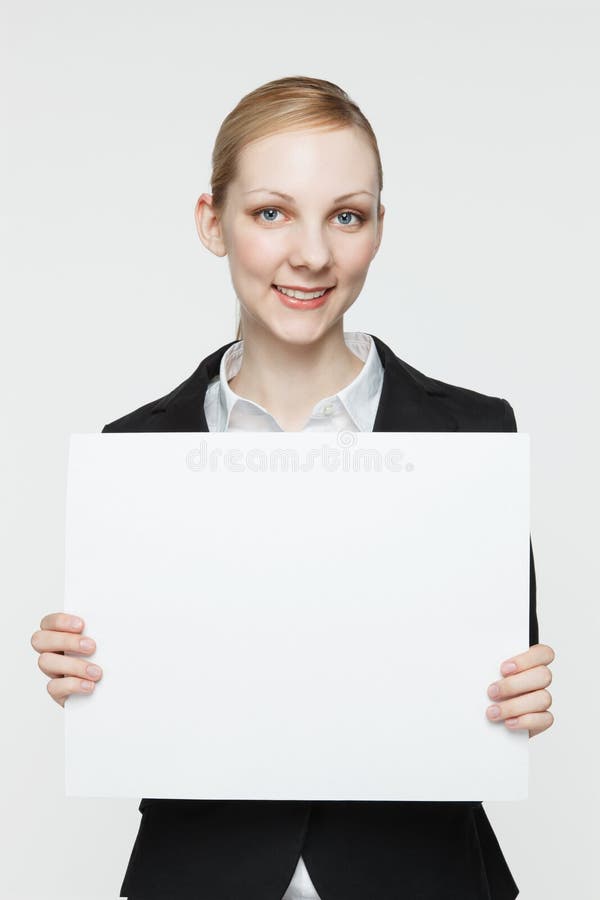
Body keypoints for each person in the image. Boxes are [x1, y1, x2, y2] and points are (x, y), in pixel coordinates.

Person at [30, 75, 555, 900]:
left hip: (424, 874)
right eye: (272, 212)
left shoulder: (473, 436)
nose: (311, 255)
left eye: (346, 216)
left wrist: (519, 695)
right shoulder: (132, 455)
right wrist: (88, 674)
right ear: (213, 222)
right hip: (200, 876)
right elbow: (143, 691)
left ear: (378, 228)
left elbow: (496, 673)